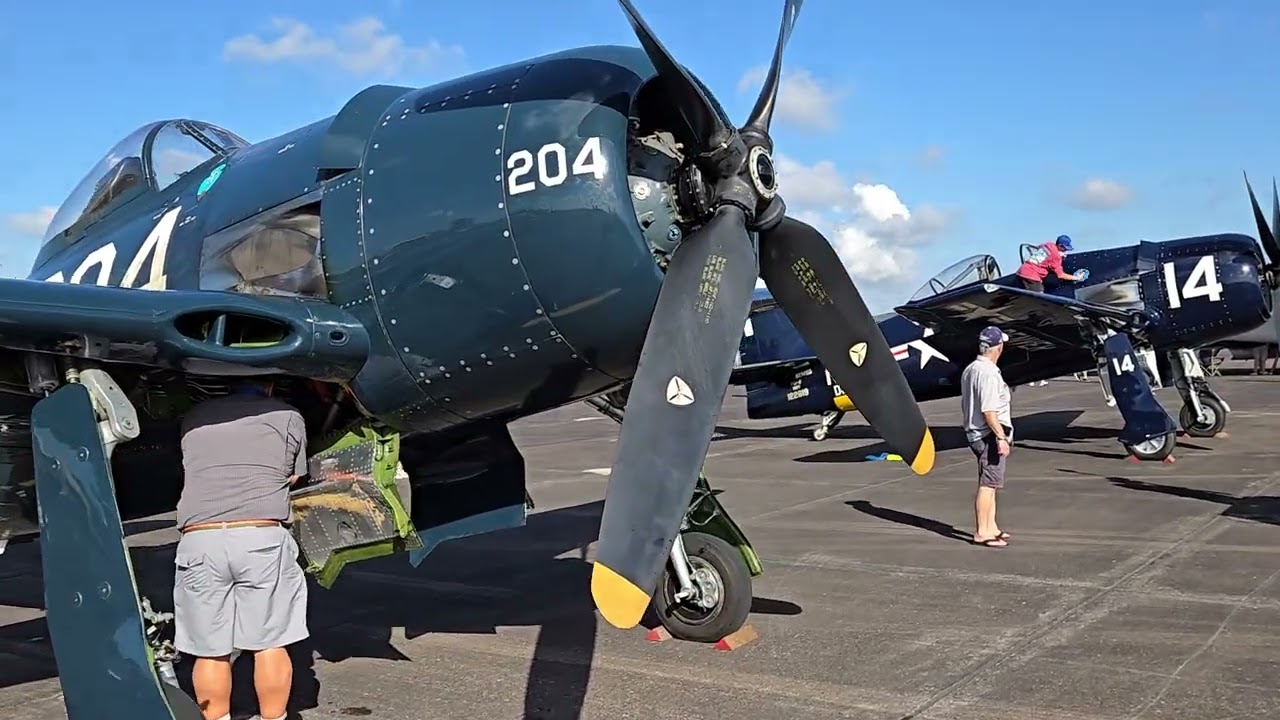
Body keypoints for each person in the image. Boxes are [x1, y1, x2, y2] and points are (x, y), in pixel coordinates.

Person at [173, 377, 310, 720]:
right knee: (270, 643)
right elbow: (294, 476)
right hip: (259, 536)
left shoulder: (195, 418)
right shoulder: (287, 416)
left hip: (200, 540)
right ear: (269, 383)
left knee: (210, 651)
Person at [960, 326, 1014, 547]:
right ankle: (983, 532)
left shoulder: (971, 369)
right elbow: (989, 410)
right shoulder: (989, 373)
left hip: (976, 433)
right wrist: (1001, 437)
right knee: (988, 484)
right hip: (988, 434)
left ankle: (992, 526)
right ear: (998, 347)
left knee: (991, 482)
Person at [1016, 234, 1084, 292]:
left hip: (1023, 269)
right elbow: (1060, 275)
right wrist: (1076, 278)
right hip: (1031, 275)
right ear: (1060, 245)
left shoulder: (1048, 244)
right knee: (1040, 296)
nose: (1065, 251)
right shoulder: (1056, 257)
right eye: (1065, 249)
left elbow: (1039, 249)